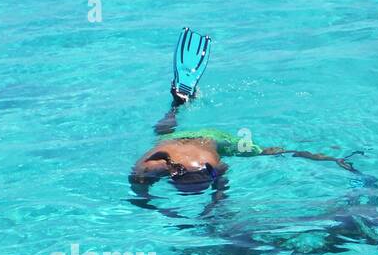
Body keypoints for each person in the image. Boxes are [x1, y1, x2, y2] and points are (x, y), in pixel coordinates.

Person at [129, 28, 364, 205]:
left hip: (212, 139)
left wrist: (213, 204)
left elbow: (220, 187)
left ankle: (176, 106)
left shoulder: (211, 165)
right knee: (161, 134)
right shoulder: (167, 165)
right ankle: (175, 106)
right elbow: (218, 191)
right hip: (189, 141)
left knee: (267, 152)